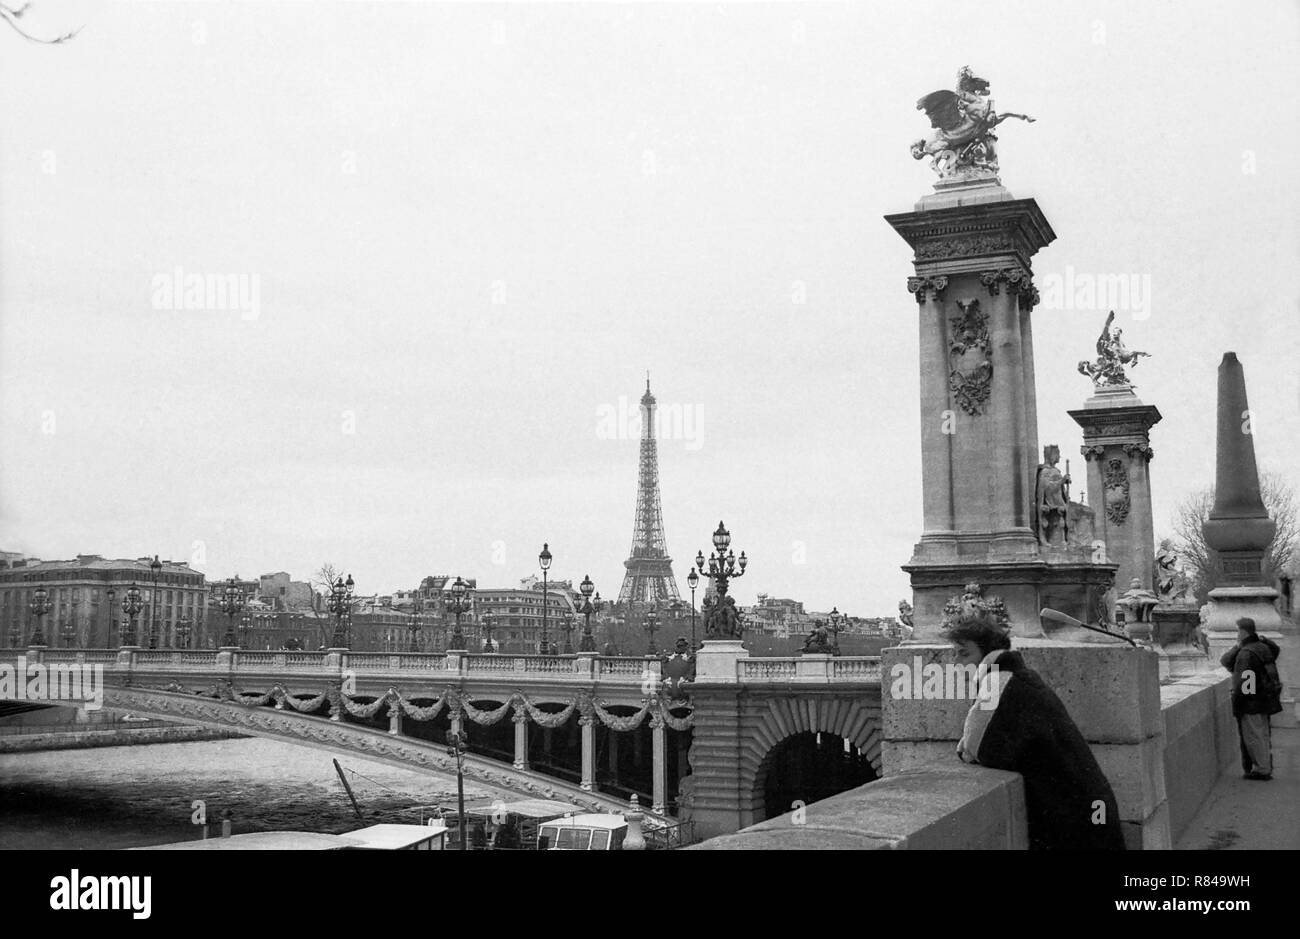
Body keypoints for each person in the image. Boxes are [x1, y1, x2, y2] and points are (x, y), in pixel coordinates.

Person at [949, 617, 1126, 851]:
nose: (956, 662)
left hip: (1074, 815)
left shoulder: (998, 681)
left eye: (964, 654)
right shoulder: (1020, 675)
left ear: (987, 654)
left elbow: (977, 746)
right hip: (1089, 806)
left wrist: (967, 749)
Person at [1220, 617, 1282, 780]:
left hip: (1252, 703)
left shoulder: (1247, 653)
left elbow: (1245, 681)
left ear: (1242, 631)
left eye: (1237, 631)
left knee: (1254, 736)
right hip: (1264, 699)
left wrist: (1240, 702)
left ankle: (1262, 770)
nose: (1235, 634)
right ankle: (1264, 767)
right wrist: (1258, 639)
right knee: (1262, 734)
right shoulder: (1262, 647)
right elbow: (1276, 650)